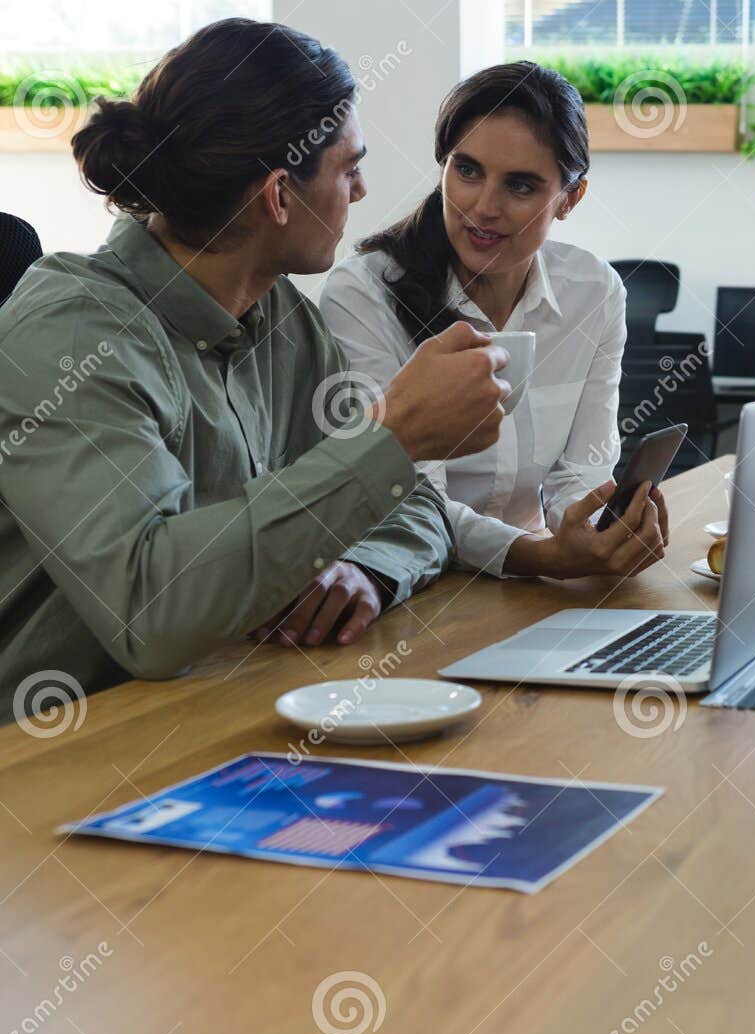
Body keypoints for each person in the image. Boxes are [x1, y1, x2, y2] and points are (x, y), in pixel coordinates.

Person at [0, 18, 511, 721]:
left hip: (211, 706)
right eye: (348, 166)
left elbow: (412, 506)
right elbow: (153, 611)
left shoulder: (284, 321)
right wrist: (395, 435)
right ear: (278, 196)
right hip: (43, 751)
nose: (360, 191)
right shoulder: (73, 329)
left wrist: (366, 567)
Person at [320, 62, 667, 581]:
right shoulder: (362, 295)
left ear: (570, 198)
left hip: (532, 586)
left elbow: (583, 469)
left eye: (521, 186)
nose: (483, 207)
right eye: (467, 170)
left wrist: (599, 531)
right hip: (402, 584)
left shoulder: (594, 292)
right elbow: (408, 500)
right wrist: (538, 556)